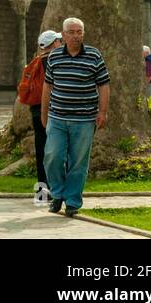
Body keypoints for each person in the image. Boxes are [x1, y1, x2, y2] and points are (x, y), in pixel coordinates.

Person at [42, 17, 110, 218]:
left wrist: (102, 111)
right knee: (52, 157)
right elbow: (48, 86)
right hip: (57, 117)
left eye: (79, 31)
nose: (75, 35)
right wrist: (44, 113)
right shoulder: (54, 57)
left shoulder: (94, 55)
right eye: (71, 32)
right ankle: (57, 194)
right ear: (63, 35)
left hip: (84, 119)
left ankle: (72, 201)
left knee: (78, 162)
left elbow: (104, 84)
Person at [18, 30, 61, 204]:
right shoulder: (52, 60)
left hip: (36, 110)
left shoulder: (35, 61)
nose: (61, 43)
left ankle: (41, 193)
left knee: (42, 149)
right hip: (51, 110)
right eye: (58, 40)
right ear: (54, 44)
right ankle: (56, 189)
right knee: (56, 150)